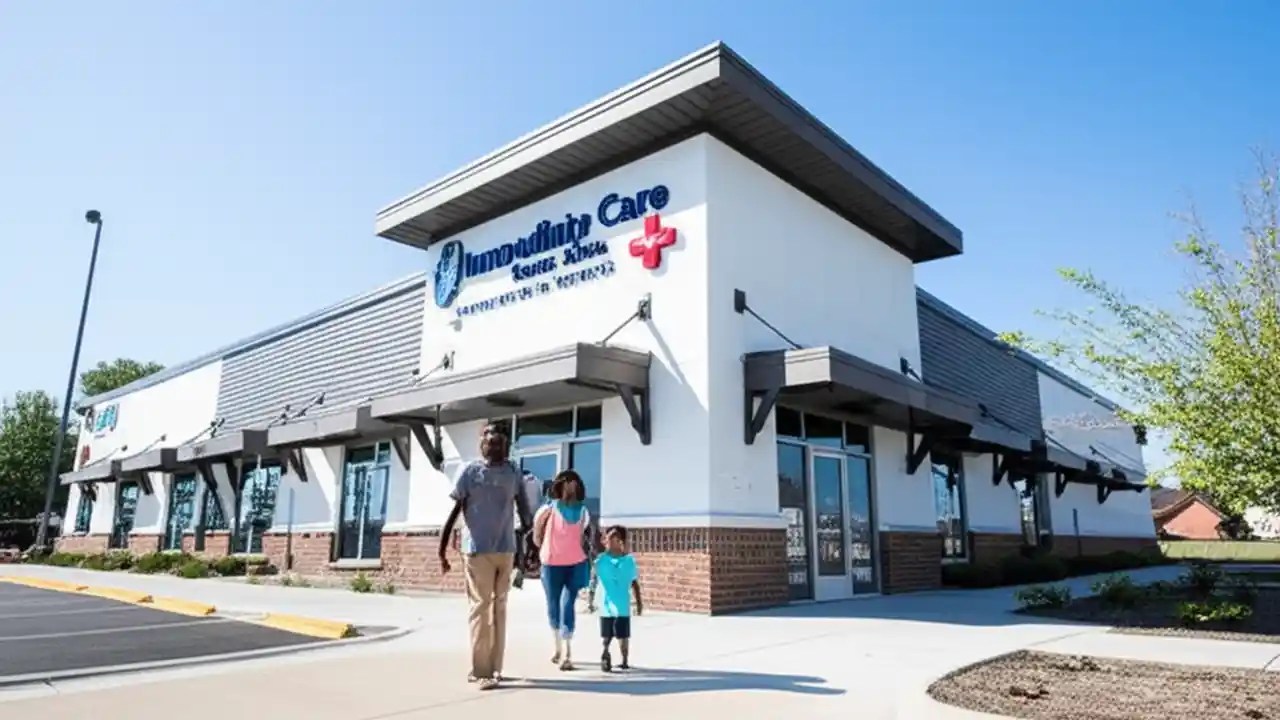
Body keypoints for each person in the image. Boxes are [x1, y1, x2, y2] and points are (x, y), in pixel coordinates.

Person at [439, 424, 533, 690]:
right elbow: (455, 510)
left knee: (500, 607)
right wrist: (442, 548)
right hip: (477, 550)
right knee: (480, 607)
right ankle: (481, 670)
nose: (495, 448)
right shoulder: (470, 472)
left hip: (505, 548)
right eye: (490, 443)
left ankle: (496, 668)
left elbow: (523, 507)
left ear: (507, 446)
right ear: (482, 445)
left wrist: (531, 543)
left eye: (500, 444)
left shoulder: (514, 472)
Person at [532, 470, 592, 670]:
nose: (571, 486)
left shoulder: (584, 511)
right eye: (567, 482)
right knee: (553, 605)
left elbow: (584, 536)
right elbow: (536, 534)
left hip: (575, 563)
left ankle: (567, 651)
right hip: (550, 563)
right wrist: (544, 552)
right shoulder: (547, 509)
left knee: (568, 603)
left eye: (574, 482)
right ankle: (557, 646)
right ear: (560, 485)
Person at [595, 525, 642, 672]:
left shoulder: (628, 561)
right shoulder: (601, 560)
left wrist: (639, 602)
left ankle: (623, 659)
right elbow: (593, 580)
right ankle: (607, 653)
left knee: (622, 635)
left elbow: (634, 583)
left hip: (621, 604)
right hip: (607, 604)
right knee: (608, 635)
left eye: (612, 539)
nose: (608, 542)